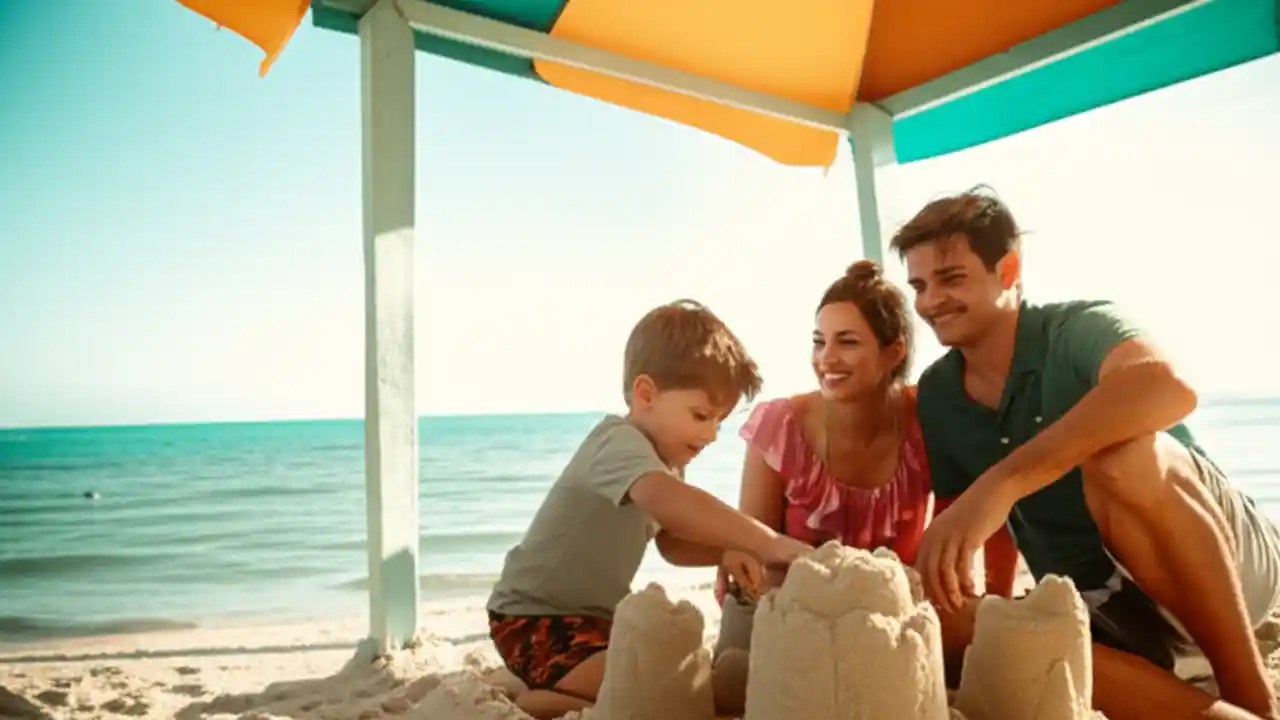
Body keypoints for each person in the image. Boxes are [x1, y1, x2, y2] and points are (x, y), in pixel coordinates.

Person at [894, 187, 1280, 720]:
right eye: (919, 285)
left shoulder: (1074, 329)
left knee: (1120, 460)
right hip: (1107, 603)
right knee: (957, 619)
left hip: (1223, 573)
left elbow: (1168, 385)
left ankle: (1250, 694)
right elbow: (978, 529)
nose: (930, 301)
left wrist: (1003, 481)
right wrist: (990, 605)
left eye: (951, 278)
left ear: (1007, 271)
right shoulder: (939, 392)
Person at [485, 299, 812, 719]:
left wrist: (724, 552)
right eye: (700, 415)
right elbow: (671, 505)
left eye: (719, 421)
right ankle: (539, 700)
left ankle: (563, 690)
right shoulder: (619, 443)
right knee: (656, 690)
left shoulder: (666, 465)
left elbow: (673, 543)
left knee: (660, 679)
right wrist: (768, 542)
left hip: (596, 624)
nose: (711, 434)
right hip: (533, 619)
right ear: (645, 395)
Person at [710, 261, 1019, 704]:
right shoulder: (780, 426)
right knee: (740, 685)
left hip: (890, 612)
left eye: (847, 342)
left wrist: (995, 599)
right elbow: (755, 551)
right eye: (819, 342)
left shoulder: (928, 418)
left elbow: (986, 507)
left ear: (893, 352)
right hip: (790, 608)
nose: (826, 359)